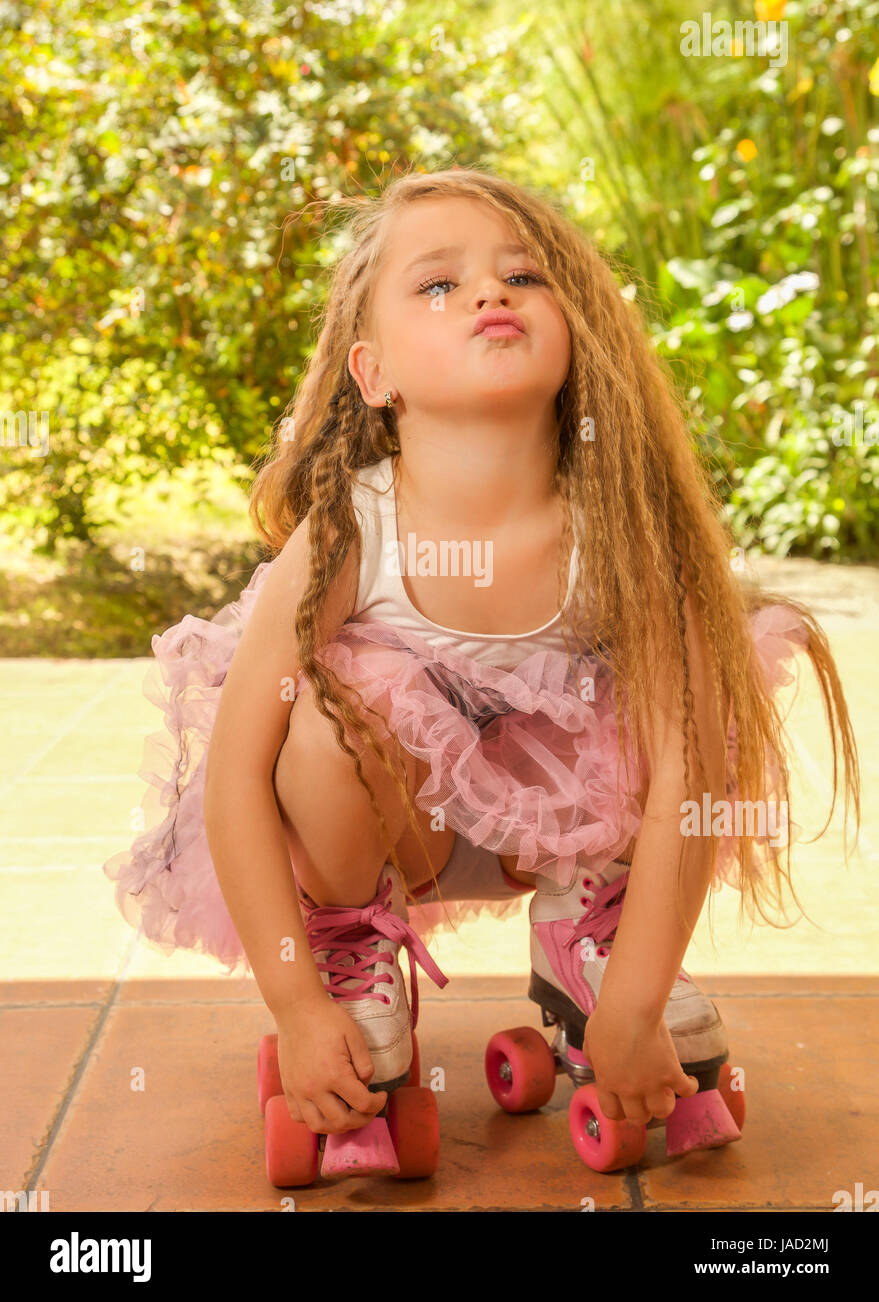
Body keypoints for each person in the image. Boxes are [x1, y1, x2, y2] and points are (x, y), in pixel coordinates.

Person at [104, 166, 860, 1147]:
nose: (491, 295)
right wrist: (294, 1002)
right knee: (324, 707)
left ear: (576, 330)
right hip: (382, 831)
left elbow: (688, 773)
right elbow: (239, 777)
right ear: (375, 374)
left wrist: (632, 1005)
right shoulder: (347, 533)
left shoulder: (624, 533)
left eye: (525, 276)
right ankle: (347, 948)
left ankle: (593, 933)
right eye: (439, 284)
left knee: (693, 685)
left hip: (550, 829)